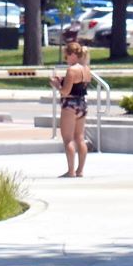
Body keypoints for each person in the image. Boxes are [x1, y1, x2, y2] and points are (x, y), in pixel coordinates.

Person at [50, 38, 94, 178]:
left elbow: (65, 92)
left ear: (73, 55)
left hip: (69, 105)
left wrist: (56, 84)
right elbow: (79, 86)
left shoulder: (71, 70)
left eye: (66, 56)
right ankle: (80, 170)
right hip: (82, 104)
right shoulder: (86, 69)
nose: (66, 59)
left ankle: (71, 171)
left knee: (68, 139)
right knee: (80, 138)